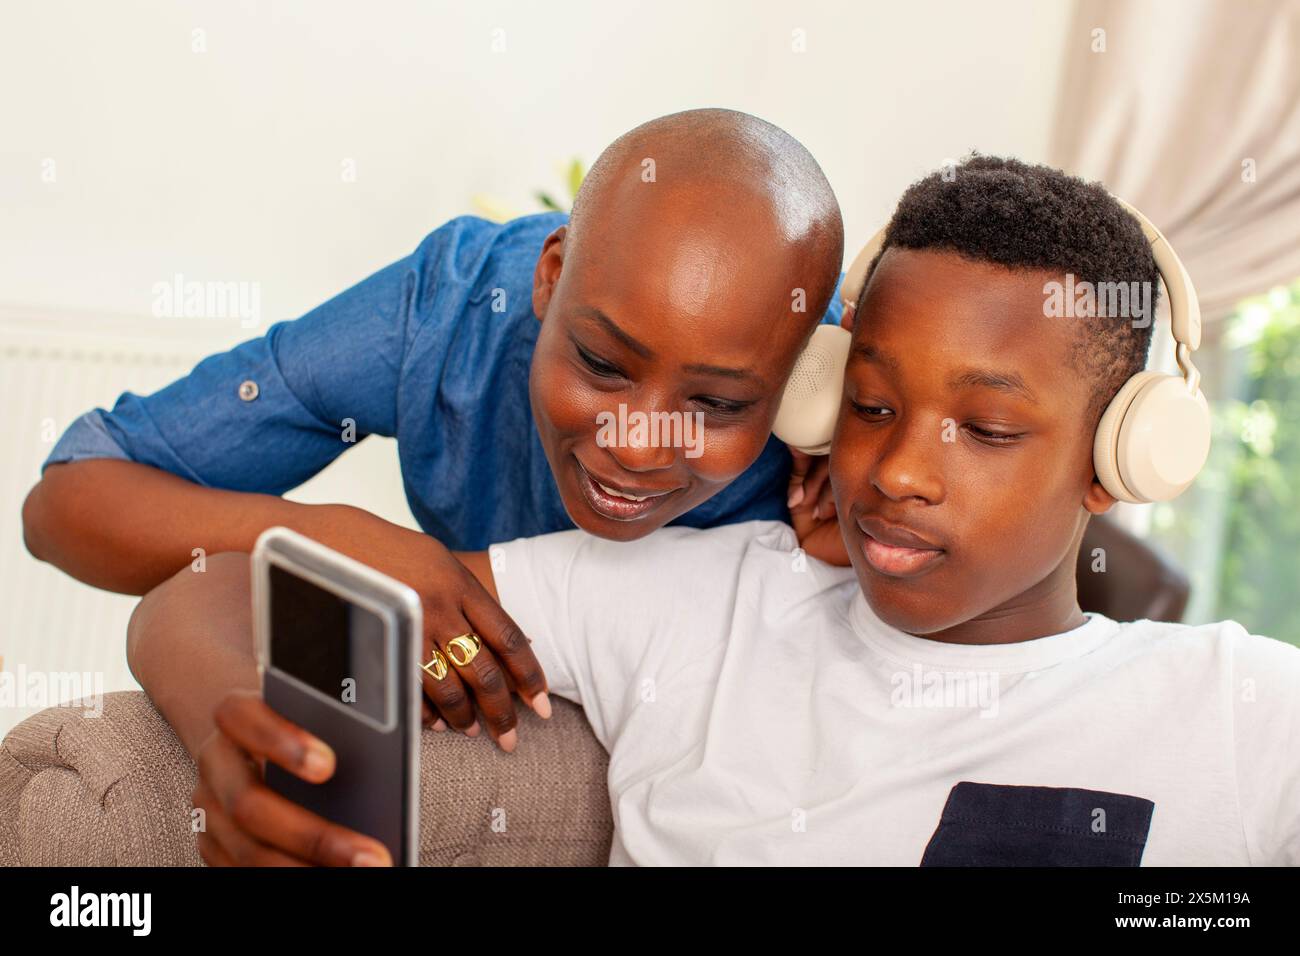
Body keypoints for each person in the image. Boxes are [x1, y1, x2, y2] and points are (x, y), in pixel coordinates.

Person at [129, 155, 1300, 866]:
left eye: (985, 430)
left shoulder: (1246, 713)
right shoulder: (698, 601)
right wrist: (236, 716)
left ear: (1122, 456)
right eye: (871, 405)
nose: (896, 470)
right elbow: (209, 589)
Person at [22, 108, 847, 750]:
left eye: (718, 406)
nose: (635, 443)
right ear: (549, 276)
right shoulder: (450, 310)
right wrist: (324, 539)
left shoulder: (846, 409)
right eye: (600, 362)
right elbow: (67, 502)